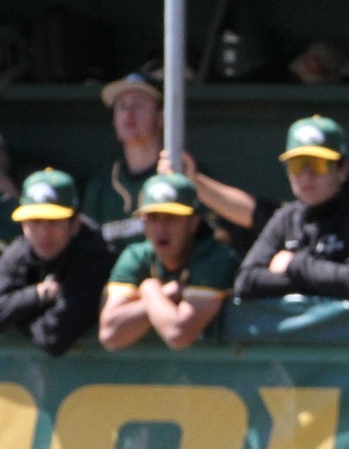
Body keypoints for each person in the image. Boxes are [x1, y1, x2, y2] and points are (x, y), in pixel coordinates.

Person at [234, 116, 349, 301]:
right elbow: (246, 281)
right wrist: (321, 281)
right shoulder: (286, 217)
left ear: (343, 169)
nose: (306, 176)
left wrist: (293, 264)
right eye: (297, 165)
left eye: (318, 165)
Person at [98, 173, 240, 351]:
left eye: (172, 218)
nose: (161, 229)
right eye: (153, 217)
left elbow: (178, 334)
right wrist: (157, 291)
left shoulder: (215, 257)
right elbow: (110, 334)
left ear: (194, 223)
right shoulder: (136, 256)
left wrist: (148, 292)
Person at [0, 169, 112, 356]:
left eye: (54, 221)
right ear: (24, 225)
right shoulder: (20, 251)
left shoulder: (95, 254)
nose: (44, 233)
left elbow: (53, 337)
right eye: (36, 221)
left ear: (75, 223)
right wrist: (36, 295)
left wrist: (14, 313)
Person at [80, 74, 164, 246]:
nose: (128, 113)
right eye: (121, 106)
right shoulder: (100, 186)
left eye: (138, 104)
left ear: (161, 116)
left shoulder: (182, 173)